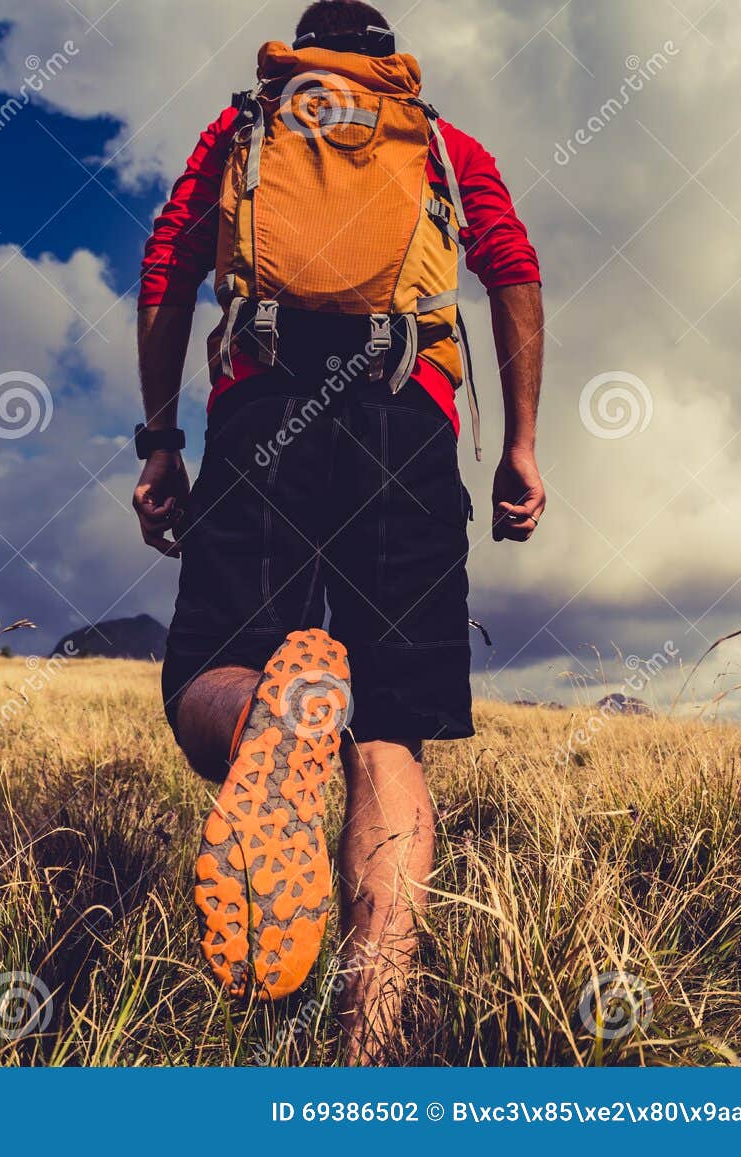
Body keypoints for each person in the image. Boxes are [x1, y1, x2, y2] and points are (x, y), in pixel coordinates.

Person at [131, 0, 545, 1063]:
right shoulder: (439, 143)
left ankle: (266, 723)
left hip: (265, 405)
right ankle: (371, 1039)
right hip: (410, 417)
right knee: (390, 726)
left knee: (209, 672)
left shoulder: (244, 129)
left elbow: (167, 265)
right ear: (388, 60)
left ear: (301, 52)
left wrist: (161, 442)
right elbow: (512, 269)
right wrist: (520, 444)